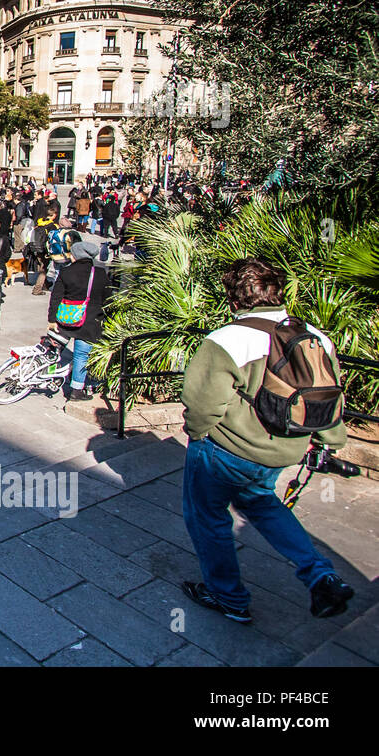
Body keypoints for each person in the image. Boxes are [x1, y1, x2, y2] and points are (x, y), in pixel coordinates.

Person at [178, 258, 354, 623]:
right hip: (284, 449)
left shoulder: (226, 340)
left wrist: (199, 434)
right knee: (264, 505)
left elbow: (202, 403)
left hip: (227, 450)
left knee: (207, 518)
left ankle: (228, 596)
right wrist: (328, 440)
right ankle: (320, 574)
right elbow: (328, 394)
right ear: (278, 293)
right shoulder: (316, 337)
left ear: (235, 299)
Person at [47, 241, 110, 398]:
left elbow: (56, 297)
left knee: (55, 349)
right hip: (89, 322)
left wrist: (52, 319)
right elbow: (108, 299)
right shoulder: (100, 273)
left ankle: (49, 375)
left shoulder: (66, 272)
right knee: (81, 355)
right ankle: (76, 390)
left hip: (65, 319)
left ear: (75, 255)